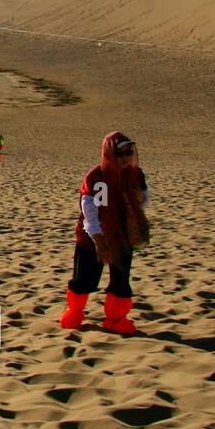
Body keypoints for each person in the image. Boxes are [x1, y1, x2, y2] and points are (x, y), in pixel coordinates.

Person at [58, 132, 149, 335]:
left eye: (128, 152)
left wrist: (140, 196)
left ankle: (116, 319)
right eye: (120, 153)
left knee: (121, 281)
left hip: (124, 236)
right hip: (93, 238)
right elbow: (90, 212)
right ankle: (74, 313)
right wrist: (100, 242)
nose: (125, 157)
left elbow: (144, 201)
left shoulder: (135, 174)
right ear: (110, 153)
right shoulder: (97, 178)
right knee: (84, 279)